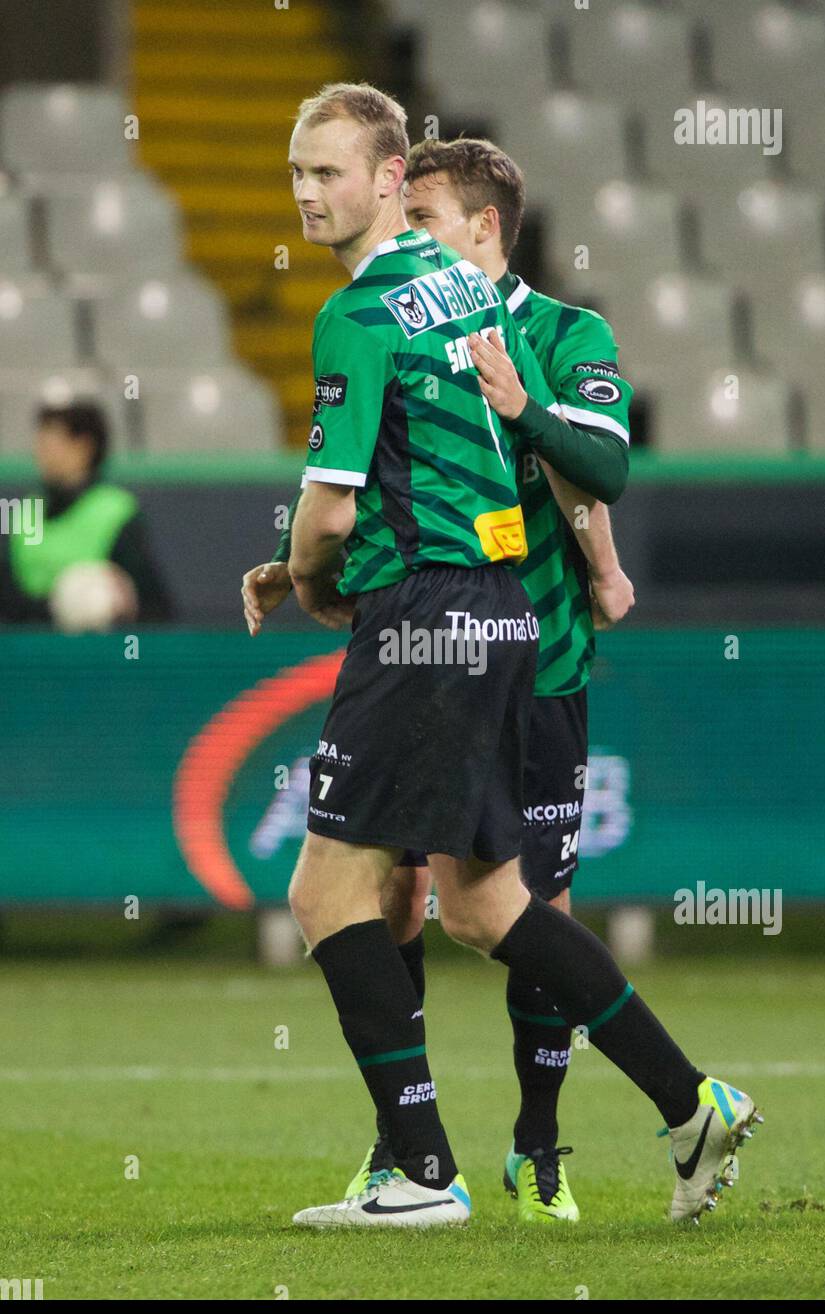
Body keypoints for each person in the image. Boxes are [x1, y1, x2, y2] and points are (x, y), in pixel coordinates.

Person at [242, 83, 761, 1229]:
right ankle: (692, 1102)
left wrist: (314, 580)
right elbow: (478, 463)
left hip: (422, 613)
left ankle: (420, 1169)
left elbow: (329, 513)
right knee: (484, 903)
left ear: (388, 181)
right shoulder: (469, 299)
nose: (304, 194)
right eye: (295, 174)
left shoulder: (364, 311)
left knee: (328, 891)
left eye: (325, 173)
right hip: (495, 610)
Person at [0, 402, 173, 625]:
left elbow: (152, 603)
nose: (39, 450)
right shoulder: (22, 512)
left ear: (84, 446)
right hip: (30, 648)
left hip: (96, 649)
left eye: (50, 440)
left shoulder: (115, 510)